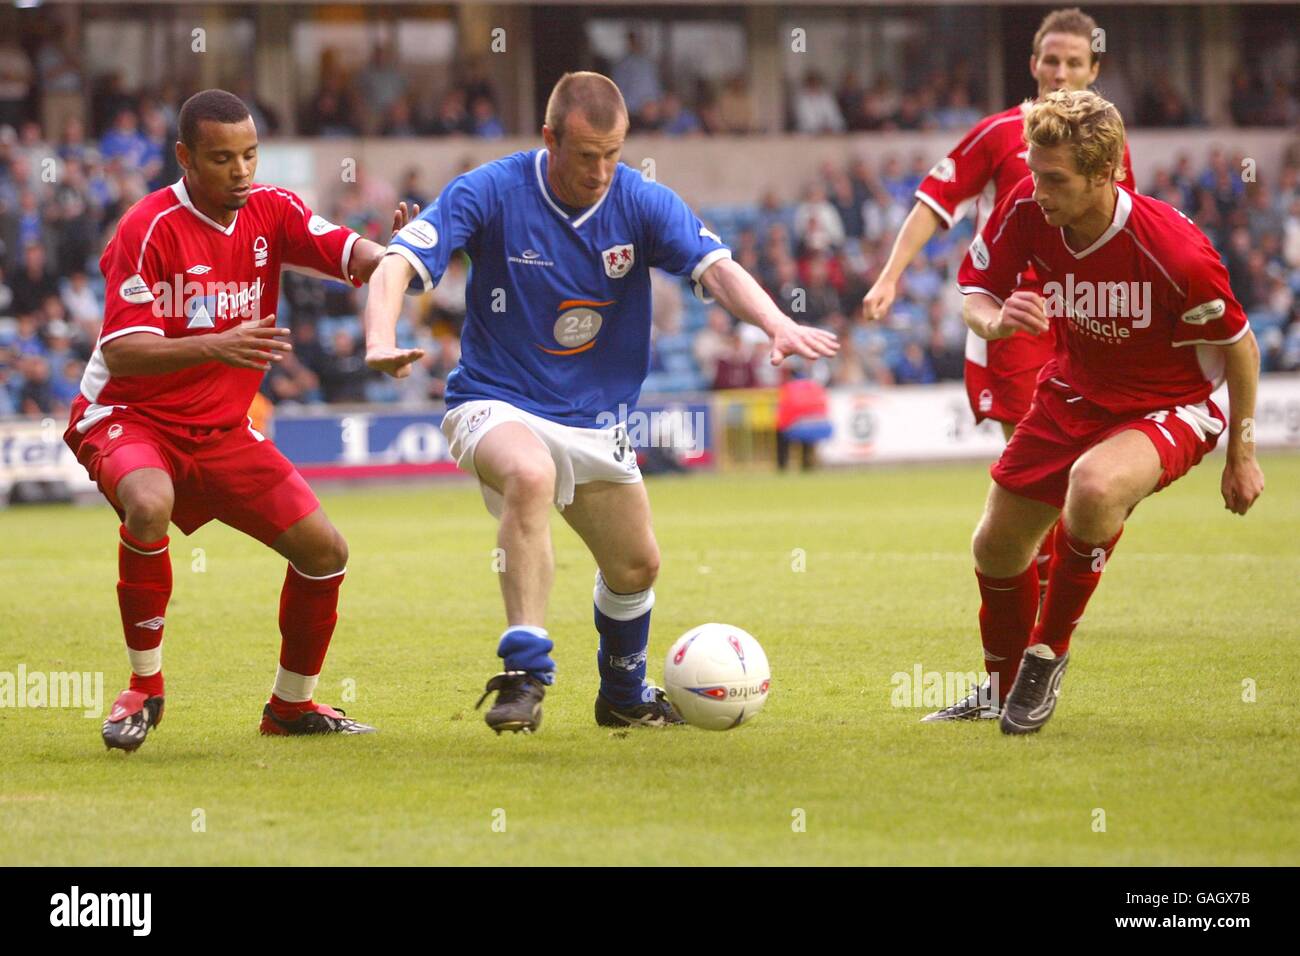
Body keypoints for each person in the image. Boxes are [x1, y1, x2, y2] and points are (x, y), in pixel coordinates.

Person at [363, 71, 837, 734]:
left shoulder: (640, 200)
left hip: (594, 421)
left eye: (614, 153)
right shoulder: (492, 190)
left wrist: (775, 323)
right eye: (587, 156)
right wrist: (379, 337)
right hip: (494, 400)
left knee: (636, 565)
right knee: (531, 475)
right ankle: (524, 671)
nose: (602, 170)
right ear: (550, 138)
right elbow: (396, 263)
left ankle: (620, 692)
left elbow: (716, 267)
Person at [63, 89, 418, 752]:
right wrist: (215, 346)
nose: (241, 170)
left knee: (325, 552)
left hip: (221, 431)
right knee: (148, 501)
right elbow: (121, 350)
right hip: (129, 414)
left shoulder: (272, 210)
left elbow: (351, 255)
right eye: (222, 158)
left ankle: (291, 706)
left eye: (250, 154)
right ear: (185, 158)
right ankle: (144, 687)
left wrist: (397, 259)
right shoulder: (146, 228)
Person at [949, 89, 1263, 733]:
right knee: (996, 547)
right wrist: (997, 322)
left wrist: (1243, 456)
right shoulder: (1028, 209)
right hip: (1072, 394)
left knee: (1092, 489)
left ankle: (1048, 653)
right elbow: (974, 296)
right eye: (1034, 171)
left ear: (1106, 172)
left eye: (1054, 178)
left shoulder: (1174, 250)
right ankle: (1004, 690)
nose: (1037, 188)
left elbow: (1241, 348)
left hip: (1171, 406)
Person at [862, 6, 1137, 609]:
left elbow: (1127, 232)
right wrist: (889, 278)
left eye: (1074, 63)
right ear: (1034, 64)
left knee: (1102, 473)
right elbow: (934, 204)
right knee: (1037, 472)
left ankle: (1058, 578)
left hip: (1088, 320)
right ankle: (1040, 594)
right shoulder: (996, 134)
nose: (1061, 73)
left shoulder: (1108, 148)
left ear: (1094, 69)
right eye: (1052, 61)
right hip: (1015, 320)